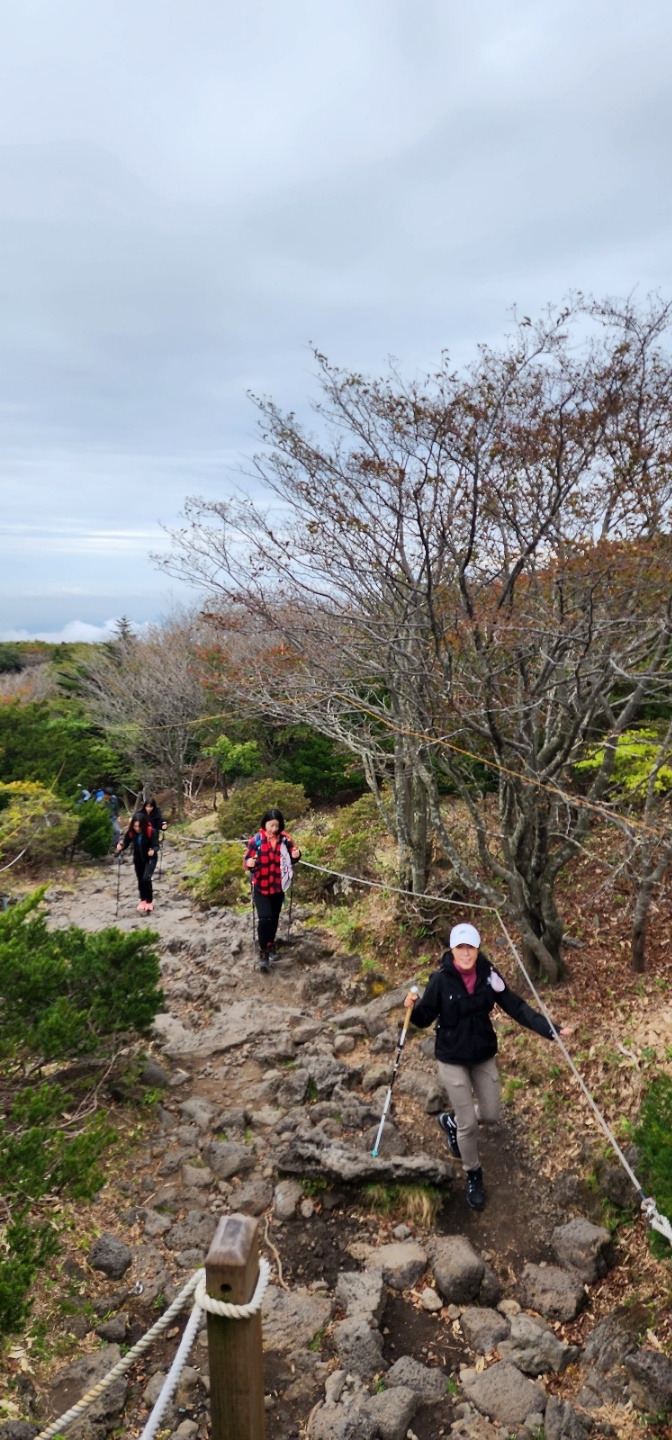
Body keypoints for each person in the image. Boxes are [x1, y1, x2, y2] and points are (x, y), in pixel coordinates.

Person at [404, 922, 573, 1212]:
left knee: (492, 1114)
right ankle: (473, 1173)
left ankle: (452, 1123)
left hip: (482, 1054)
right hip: (451, 1058)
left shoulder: (489, 976)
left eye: (470, 947)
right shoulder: (441, 980)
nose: (466, 953)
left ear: (478, 948)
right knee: (469, 1124)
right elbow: (423, 1019)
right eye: (460, 947)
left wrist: (550, 1029)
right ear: (453, 950)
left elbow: (517, 1007)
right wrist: (410, 1005)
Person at [243, 808, 301, 973]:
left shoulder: (285, 840)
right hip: (261, 886)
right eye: (271, 825)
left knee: (274, 919)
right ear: (265, 824)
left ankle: (270, 943)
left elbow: (292, 858)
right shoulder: (257, 840)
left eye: (277, 825)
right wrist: (249, 864)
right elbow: (247, 859)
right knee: (265, 919)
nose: (274, 829)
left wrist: (297, 854)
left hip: (278, 886)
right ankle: (263, 951)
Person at [116, 813, 160, 913]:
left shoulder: (150, 831)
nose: (137, 828)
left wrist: (153, 851)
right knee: (140, 879)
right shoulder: (131, 832)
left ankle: (149, 901)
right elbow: (126, 842)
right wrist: (121, 845)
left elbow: (156, 845)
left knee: (146, 878)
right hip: (138, 859)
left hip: (150, 859)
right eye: (135, 826)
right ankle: (143, 900)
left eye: (139, 826)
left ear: (143, 824)